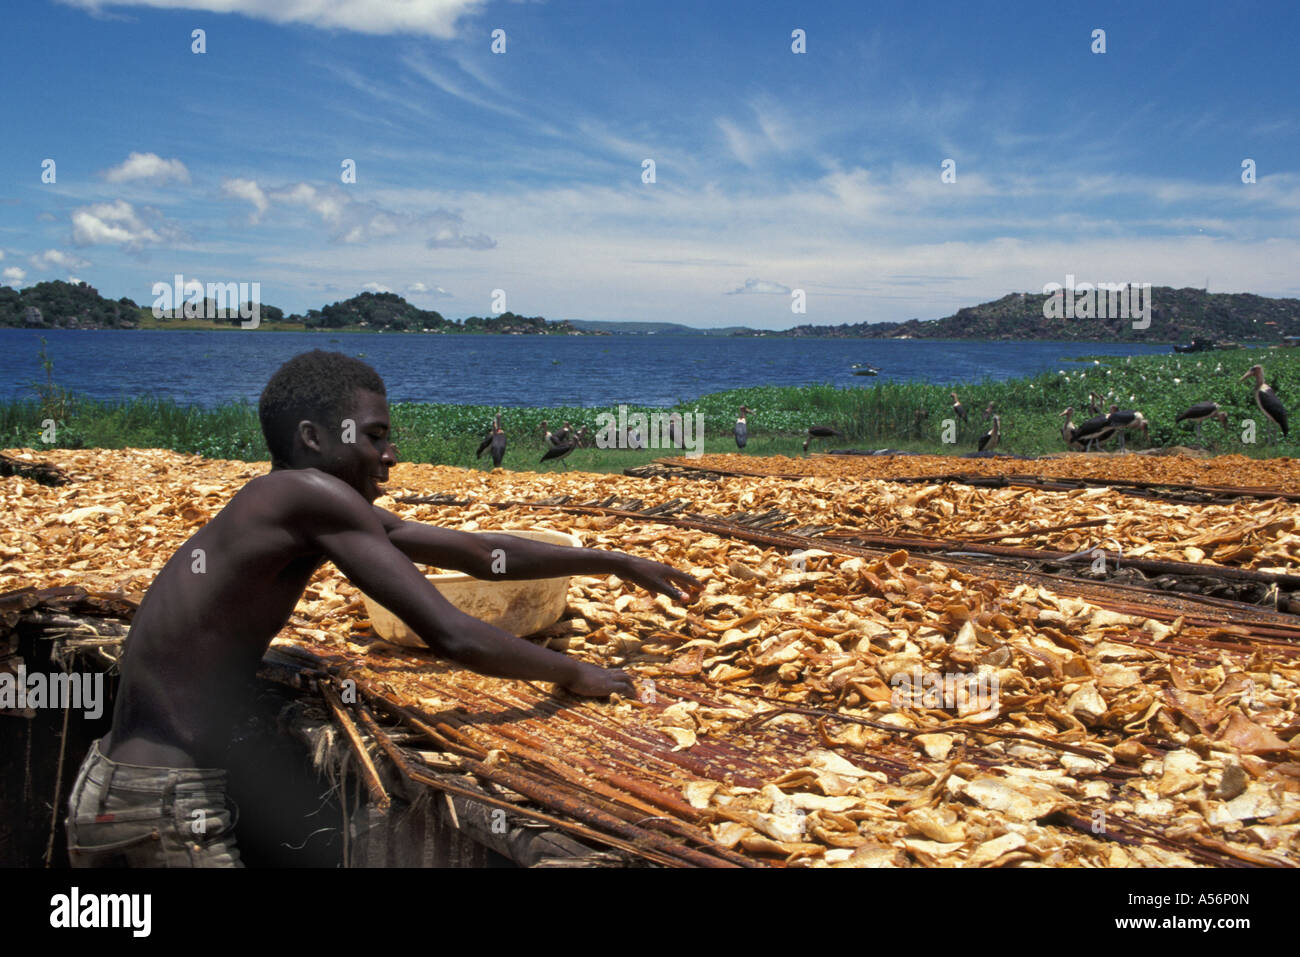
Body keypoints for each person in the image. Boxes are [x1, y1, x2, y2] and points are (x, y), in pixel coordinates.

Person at [66, 350, 701, 867]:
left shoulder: (286, 500)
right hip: (166, 802)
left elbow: (479, 554)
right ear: (312, 439)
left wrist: (611, 560)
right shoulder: (310, 498)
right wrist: (573, 673)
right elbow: (453, 634)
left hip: (110, 785)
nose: (391, 456)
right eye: (374, 437)